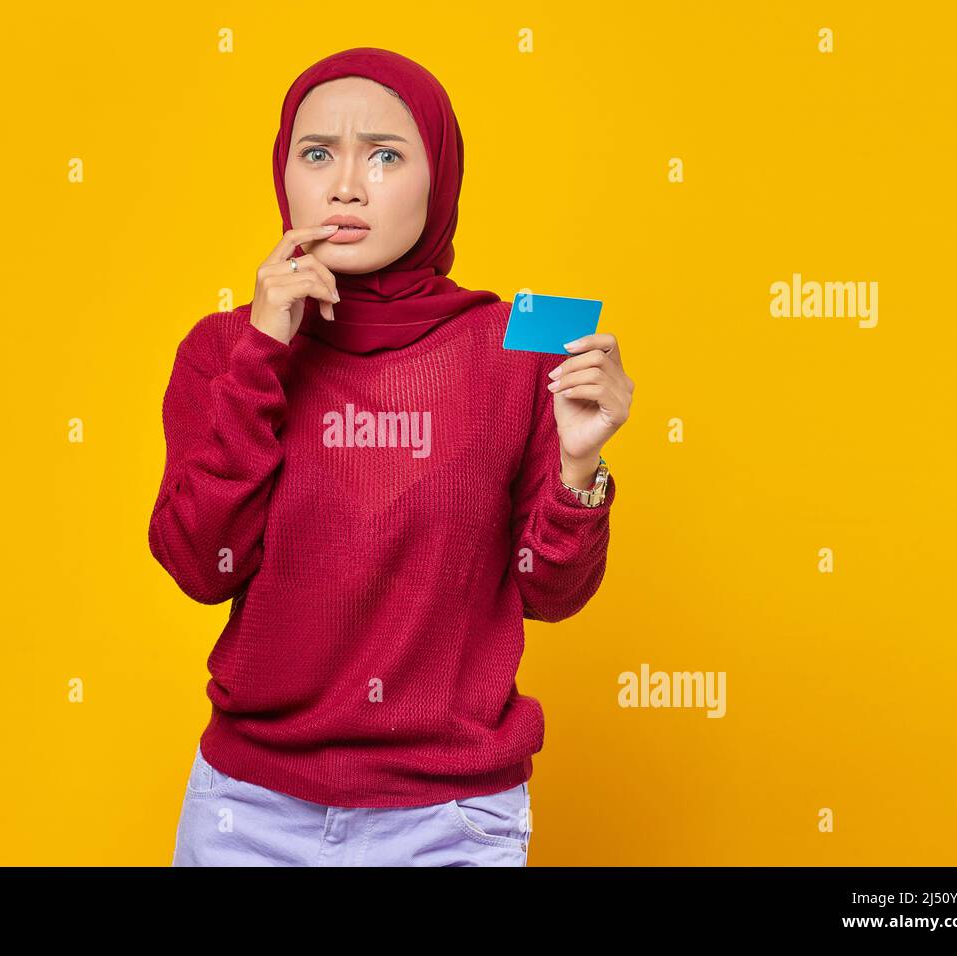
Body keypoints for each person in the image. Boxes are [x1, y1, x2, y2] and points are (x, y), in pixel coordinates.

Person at [148, 47, 634, 866]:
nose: (346, 185)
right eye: (316, 154)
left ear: (438, 179)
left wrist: (581, 472)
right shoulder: (221, 350)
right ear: (284, 174)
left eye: (384, 155)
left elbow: (551, 595)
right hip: (251, 811)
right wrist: (265, 351)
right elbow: (201, 565)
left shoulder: (519, 352)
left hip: (449, 818)